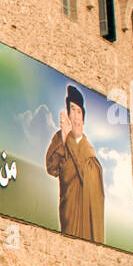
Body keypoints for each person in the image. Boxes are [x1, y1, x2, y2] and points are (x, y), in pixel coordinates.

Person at [44, 84, 104, 244]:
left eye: (79, 112)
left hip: (86, 220)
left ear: (83, 118)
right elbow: (52, 167)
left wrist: (69, 140)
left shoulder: (88, 152)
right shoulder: (60, 139)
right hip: (69, 209)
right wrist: (63, 140)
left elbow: (87, 176)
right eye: (73, 110)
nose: (76, 117)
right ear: (68, 115)